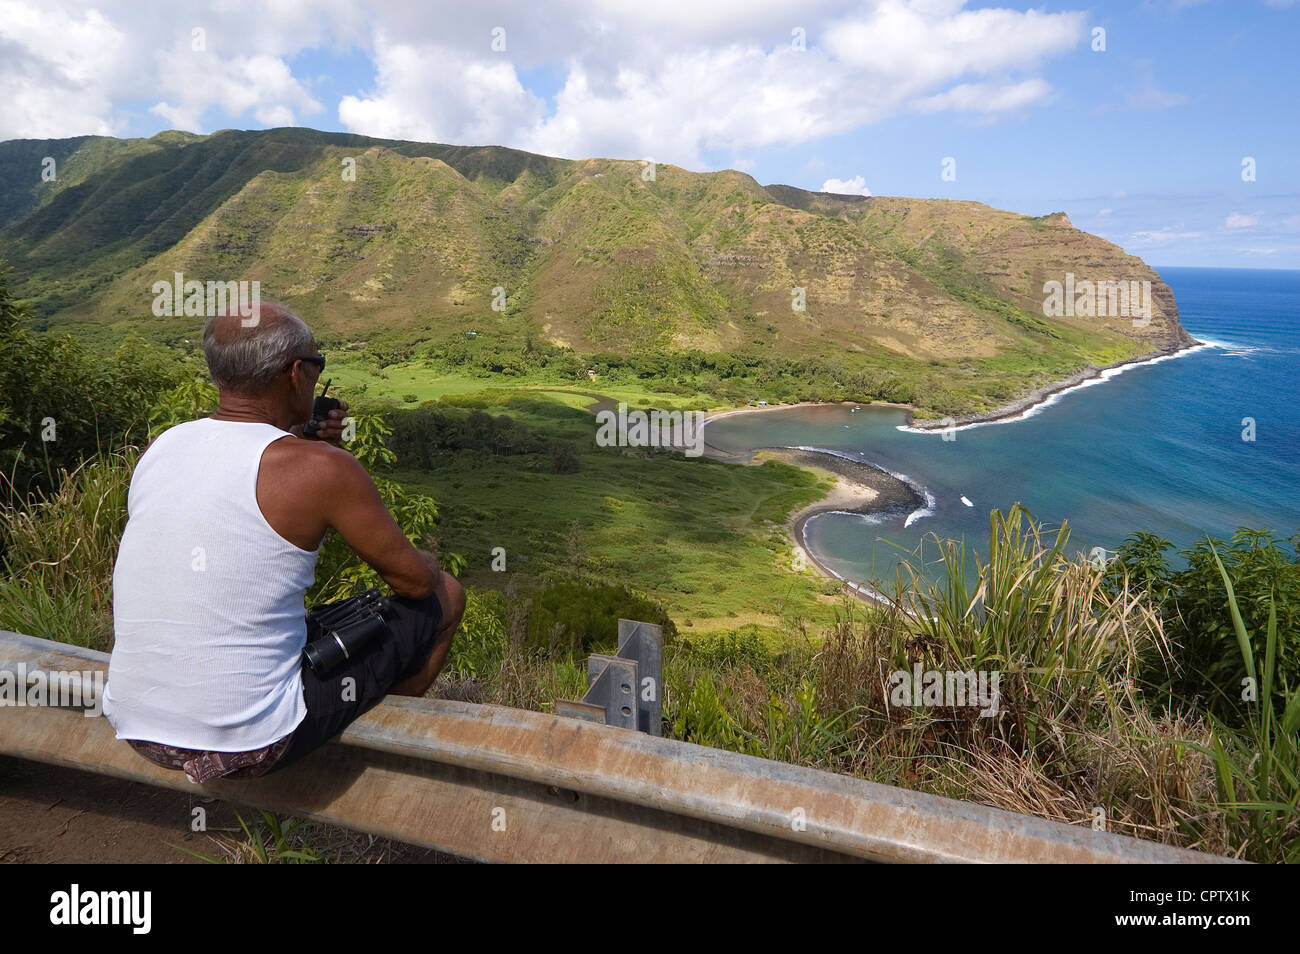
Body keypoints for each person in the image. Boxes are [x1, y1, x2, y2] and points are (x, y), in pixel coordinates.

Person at [101, 301, 464, 784]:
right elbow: (416, 584)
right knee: (447, 594)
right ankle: (384, 750)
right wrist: (428, 560)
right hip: (252, 743)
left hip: (139, 728)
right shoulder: (322, 468)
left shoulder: (162, 446)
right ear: (296, 372)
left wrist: (303, 440)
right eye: (317, 364)